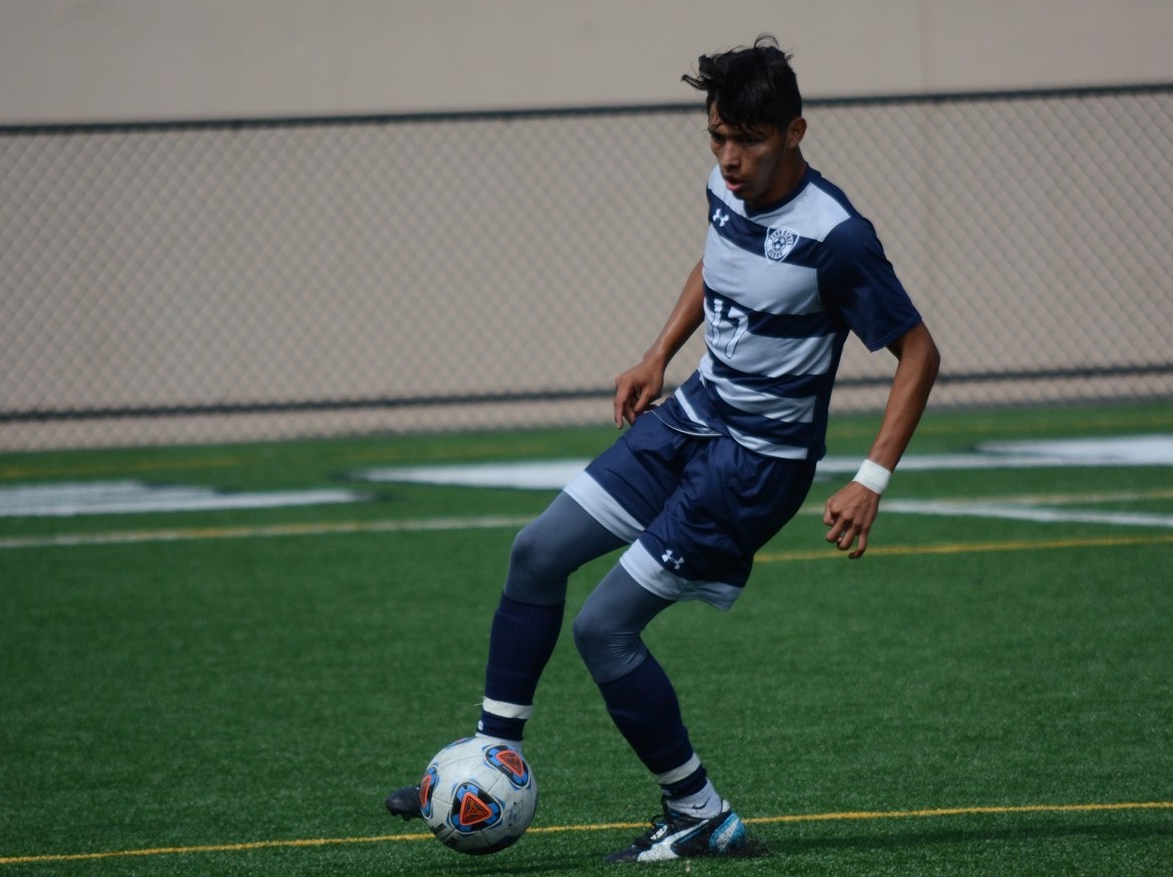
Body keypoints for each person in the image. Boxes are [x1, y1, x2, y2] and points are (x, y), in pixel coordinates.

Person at [385, 35, 939, 863]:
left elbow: (919, 354)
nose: (730, 158)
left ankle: (701, 813)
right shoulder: (724, 185)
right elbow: (716, 262)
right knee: (536, 553)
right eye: (718, 137)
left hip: (755, 464)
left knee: (605, 628)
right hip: (691, 415)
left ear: (795, 131)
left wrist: (870, 478)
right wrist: (658, 354)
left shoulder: (839, 237)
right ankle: (492, 755)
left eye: (748, 141)